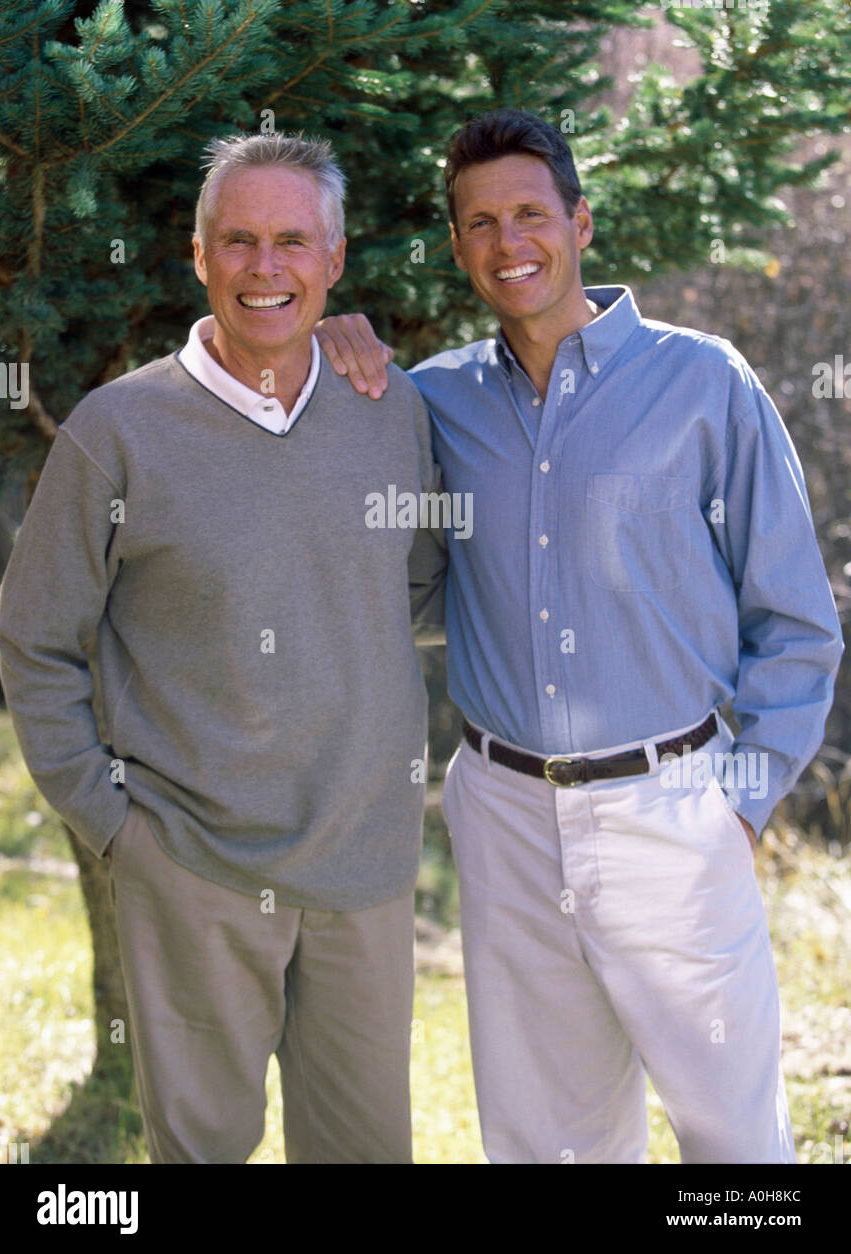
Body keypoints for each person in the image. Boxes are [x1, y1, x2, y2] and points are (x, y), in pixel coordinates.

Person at [316, 108, 844, 1165]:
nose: (508, 242)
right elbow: (397, 582)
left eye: (528, 213)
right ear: (458, 245)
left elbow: (793, 619)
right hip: (506, 815)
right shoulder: (435, 402)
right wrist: (332, 359)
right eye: (478, 223)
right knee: (548, 1143)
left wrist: (737, 805)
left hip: (677, 807)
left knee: (735, 1141)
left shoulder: (705, 384)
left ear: (581, 222)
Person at [0, 131, 446, 1165]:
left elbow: (414, 583)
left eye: (294, 241)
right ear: (199, 257)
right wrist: (115, 825)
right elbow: (35, 638)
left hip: (364, 863)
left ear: (335, 262)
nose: (266, 266)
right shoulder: (118, 431)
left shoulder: (392, 410)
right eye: (237, 240)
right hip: (190, 862)